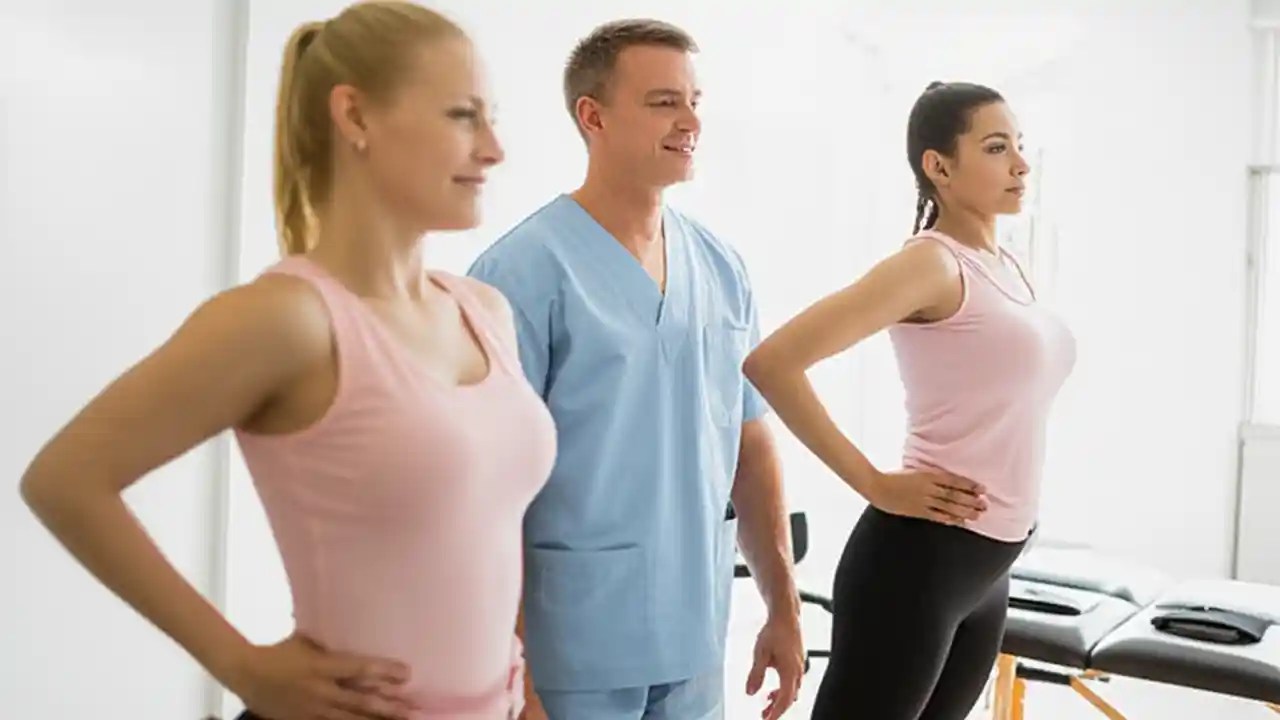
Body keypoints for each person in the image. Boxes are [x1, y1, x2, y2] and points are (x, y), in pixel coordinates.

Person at [18, 3, 556, 719]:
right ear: (355, 116)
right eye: (463, 116)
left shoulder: (485, 312)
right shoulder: (287, 321)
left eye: (492, 118)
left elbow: (487, 532)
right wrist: (239, 663)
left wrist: (524, 691)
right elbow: (65, 479)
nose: (494, 148)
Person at [466, 18, 804, 720]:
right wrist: (514, 672)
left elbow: (751, 440)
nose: (690, 121)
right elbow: (483, 491)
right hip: (568, 652)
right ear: (593, 116)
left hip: (693, 634)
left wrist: (783, 606)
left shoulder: (720, 266)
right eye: (662, 102)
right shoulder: (520, 274)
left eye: (695, 101)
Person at [743, 81, 1077, 720]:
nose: (1021, 164)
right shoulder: (930, 265)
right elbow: (774, 362)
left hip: (988, 565)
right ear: (940, 166)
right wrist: (874, 483)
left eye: (1021, 146)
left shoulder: (1006, 263)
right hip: (919, 563)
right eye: (997, 147)